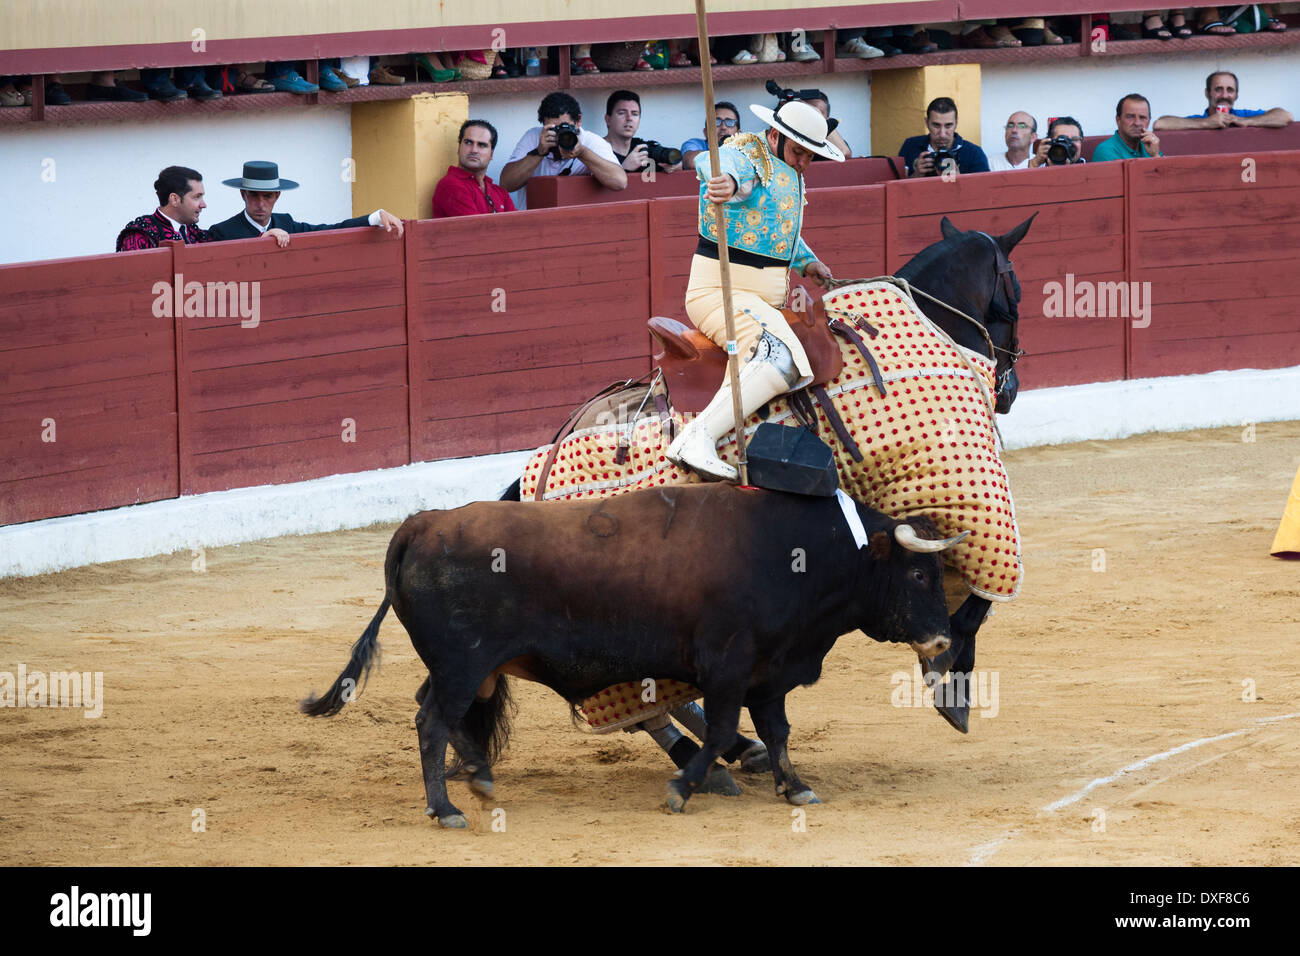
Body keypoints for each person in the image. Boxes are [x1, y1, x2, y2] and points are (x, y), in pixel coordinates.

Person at [665, 99, 844, 482]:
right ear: (776, 135)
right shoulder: (746, 151)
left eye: (811, 156)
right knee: (780, 358)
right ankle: (695, 438)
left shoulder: (789, 170)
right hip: (721, 293)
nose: (803, 163)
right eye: (799, 152)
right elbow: (714, 164)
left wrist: (807, 262)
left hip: (761, 300)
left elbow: (778, 231)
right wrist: (725, 182)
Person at [206, 161, 403, 244]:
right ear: (243, 195)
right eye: (254, 195)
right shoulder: (222, 231)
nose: (260, 203)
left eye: (267, 197)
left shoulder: (286, 223)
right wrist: (262, 239)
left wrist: (375, 217)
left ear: (277, 197)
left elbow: (331, 230)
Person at [499, 92, 628, 202]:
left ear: (578, 122)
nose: (559, 134)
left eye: (564, 127)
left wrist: (582, 153)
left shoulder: (591, 141)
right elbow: (506, 185)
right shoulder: (534, 137)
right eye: (553, 129)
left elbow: (620, 182)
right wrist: (539, 152)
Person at [432, 120, 517, 218]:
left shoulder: (500, 193)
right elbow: (477, 231)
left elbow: (518, 228)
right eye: (468, 142)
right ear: (459, 148)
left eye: (482, 145)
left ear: (491, 154)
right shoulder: (450, 185)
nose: (474, 150)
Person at [1154, 71, 1294, 130]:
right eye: (1218, 89)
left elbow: (1285, 116)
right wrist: (1206, 123)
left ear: (1236, 95)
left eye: (1230, 90)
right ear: (1207, 93)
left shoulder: (1243, 115)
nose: (1224, 95)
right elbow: (1160, 124)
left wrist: (1245, 122)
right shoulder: (1200, 119)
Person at [116, 166, 213, 251]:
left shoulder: (194, 232)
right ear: (174, 199)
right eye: (197, 197)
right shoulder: (140, 236)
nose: (203, 205)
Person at [900, 97, 990, 177]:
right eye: (936, 125)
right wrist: (917, 175)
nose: (942, 134)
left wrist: (959, 179)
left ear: (956, 123)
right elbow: (895, 191)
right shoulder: (910, 146)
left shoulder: (974, 153)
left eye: (948, 126)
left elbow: (984, 193)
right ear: (927, 122)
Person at [602, 90, 683, 174]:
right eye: (622, 113)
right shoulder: (596, 150)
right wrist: (624, 168)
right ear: (608, 119)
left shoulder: (643, 149)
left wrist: (674, 165)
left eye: (634, 114)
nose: (629, 118)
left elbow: (676, 162)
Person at [1092, 94, 1163, 161]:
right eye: (1130, 117)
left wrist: (1155, 155)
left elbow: (1165, 173)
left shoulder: (1150, 146)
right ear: (1118, 120)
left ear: (1149, 121)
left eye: (1142, 118)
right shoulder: (1106, 150)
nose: (1137, 123)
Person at [681, 101, 742, 171]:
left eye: (730, 122)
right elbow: (691, 162)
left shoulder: (746, 149)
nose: (723, 127)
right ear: (706, 132)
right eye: (716, 122)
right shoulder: (695, 144)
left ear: (739, 133)